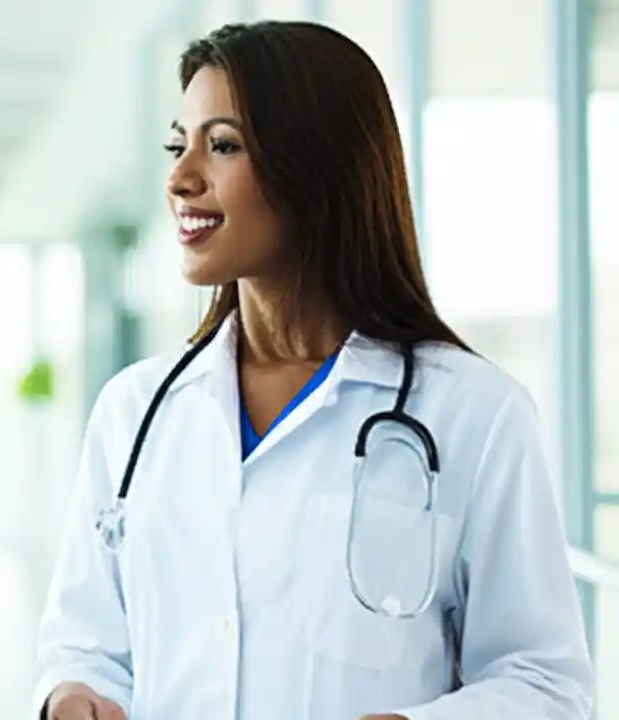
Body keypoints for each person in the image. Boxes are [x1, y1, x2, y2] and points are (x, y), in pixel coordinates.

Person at [34, 21, 593, 720]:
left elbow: (546, 682)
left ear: (316, 165)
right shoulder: (135, 410)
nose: (180, 178)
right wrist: (76, 696)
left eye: (224, 146)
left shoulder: (474, 414)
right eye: (179, 145)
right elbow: (84, 643)